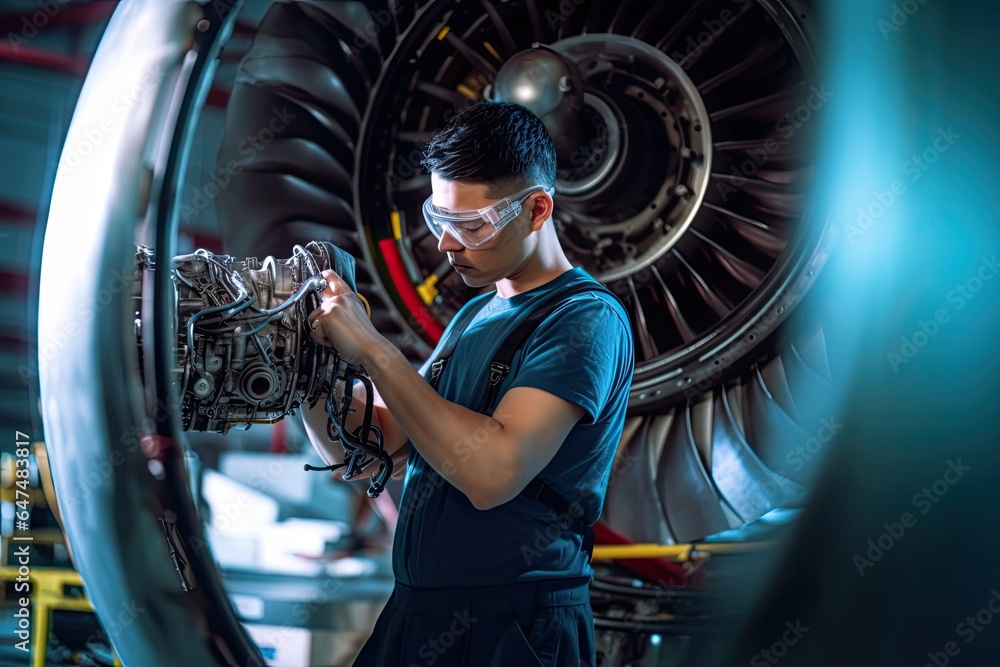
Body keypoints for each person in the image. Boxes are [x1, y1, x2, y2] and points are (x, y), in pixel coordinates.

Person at [302, 101, 633, 667]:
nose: (446, 245)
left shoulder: (584, 320)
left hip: (512, 626)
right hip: (420, 610)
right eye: (439, 219)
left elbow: (491, 472)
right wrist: (307, 371)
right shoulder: (475, 315)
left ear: (536, 209)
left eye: (470, 226)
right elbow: (374, 448)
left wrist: (374, 349)